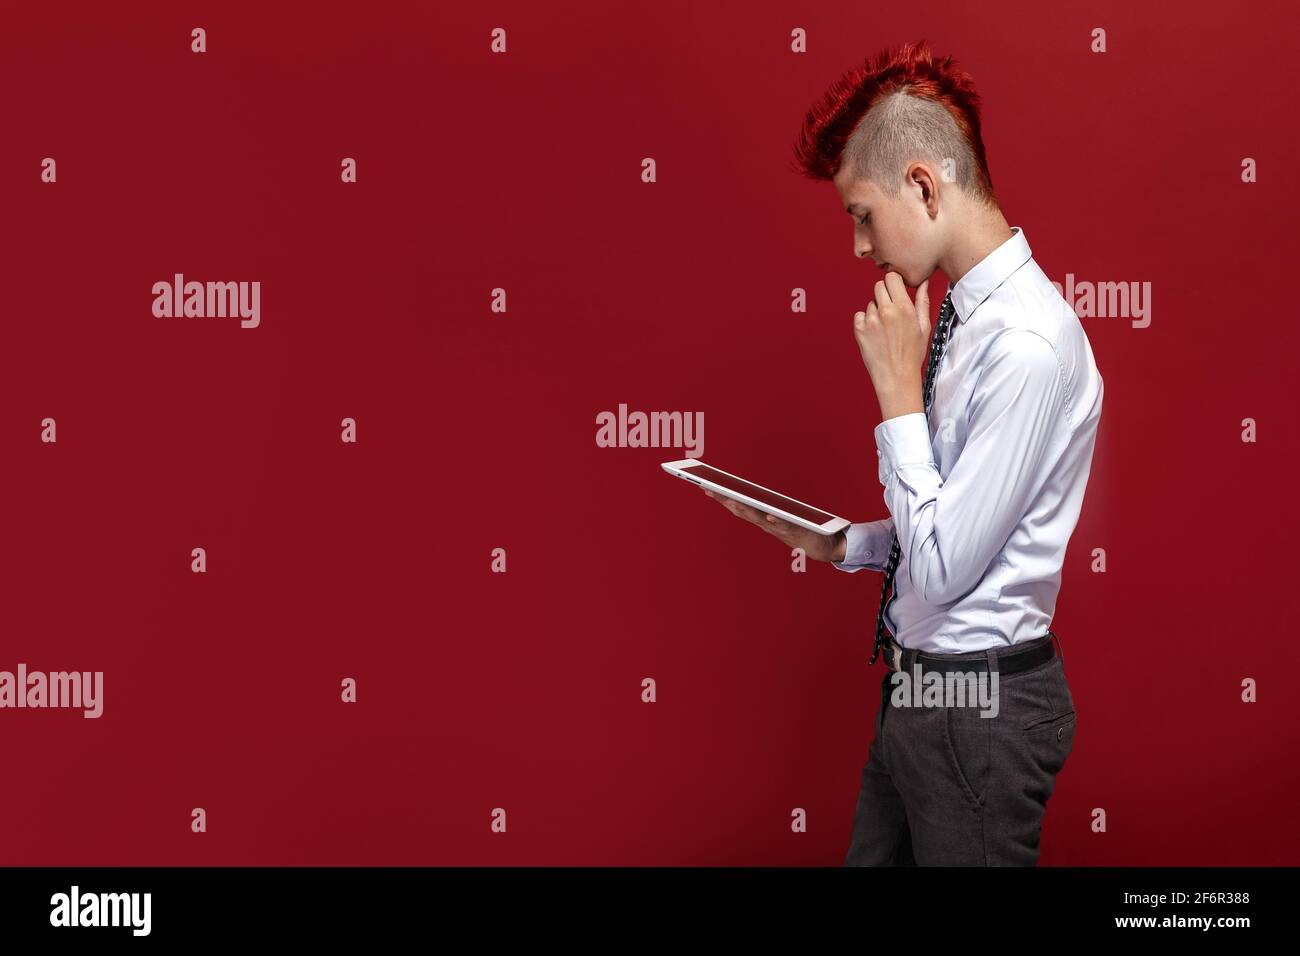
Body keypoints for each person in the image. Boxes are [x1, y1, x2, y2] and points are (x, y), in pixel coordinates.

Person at [703, 41, 1103, 865]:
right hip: (922, 692)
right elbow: (947, 524)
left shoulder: (1026, 344)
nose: (858, 246)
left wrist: (896, 392)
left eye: (860, 213)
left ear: (923, 184)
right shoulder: (964, 320)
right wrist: (844, 543)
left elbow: (950, 565)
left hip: (978, 710)